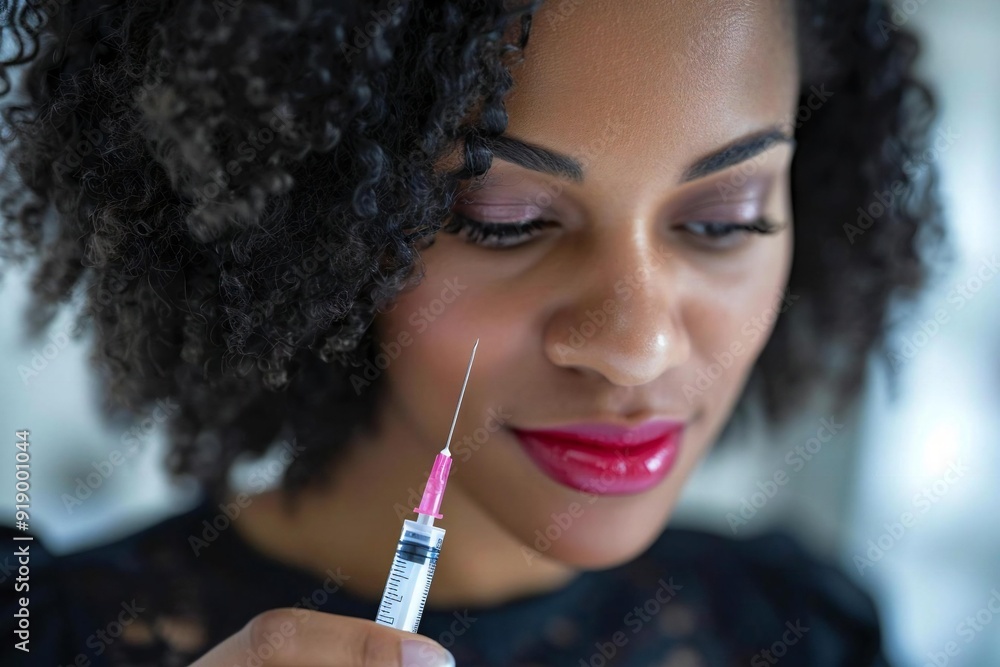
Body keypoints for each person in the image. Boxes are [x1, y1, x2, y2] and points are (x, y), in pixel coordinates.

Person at [0, 0, 946, 665]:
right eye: (504, 221)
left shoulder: (803, 630)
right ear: (306, 223)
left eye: (724, 218)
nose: (637, 343)